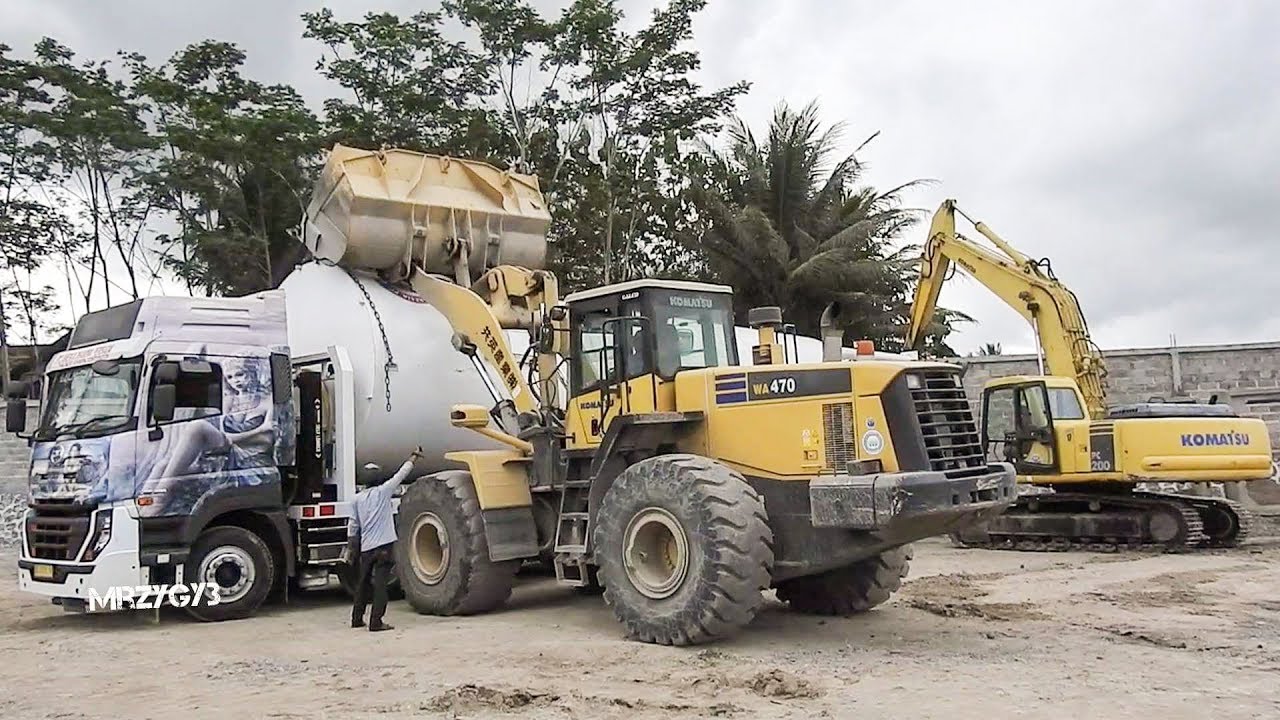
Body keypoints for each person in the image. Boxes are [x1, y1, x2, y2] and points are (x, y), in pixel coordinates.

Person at [346, 446, 423, 632]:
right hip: (384, 547)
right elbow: (401, 474)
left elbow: (353, 526)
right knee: (380, 586)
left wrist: (351, 548)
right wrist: (413, 457)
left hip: (366, 548)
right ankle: (376, 622)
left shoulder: (356, 499)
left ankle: (356, 619)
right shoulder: (383, 492)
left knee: (362, 583)